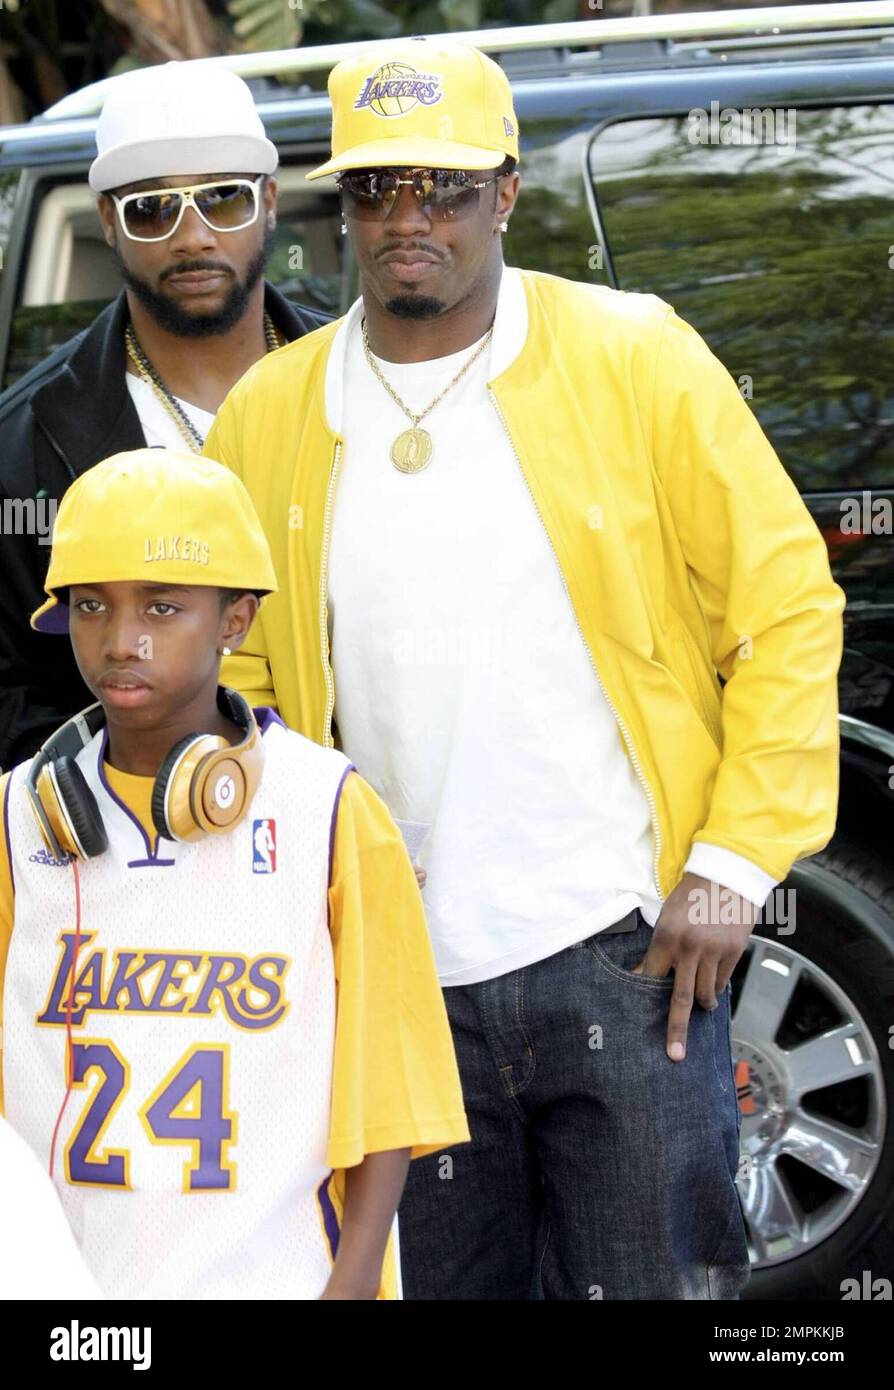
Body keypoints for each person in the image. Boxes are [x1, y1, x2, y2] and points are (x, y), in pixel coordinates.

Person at [203, 37, 846, 1299]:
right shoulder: (271, 413)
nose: (410, 219)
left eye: (445, 188)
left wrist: (731, 865)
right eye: (379, 189)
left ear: (506, 193)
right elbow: (251, 689)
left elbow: (783, 603)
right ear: (344, 210)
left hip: (620, 948)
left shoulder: (635, 357)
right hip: (391, 979)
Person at [0, 448, 468, 1300]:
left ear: (236, 622)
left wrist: (354, 1282)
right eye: (92, 605)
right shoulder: (18, 817)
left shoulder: (330, 808)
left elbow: (390, 1087)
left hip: (279, 1278)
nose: (121, 639)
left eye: (164, 606)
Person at [0, 61, 328, 769]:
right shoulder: (23, 446)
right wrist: (126, 801)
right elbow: (12, 694)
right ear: (109, 224)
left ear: (270, 203)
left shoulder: (356, 381)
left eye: (222, 199)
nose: (193, 237)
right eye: (152, 208)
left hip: (367, 832)